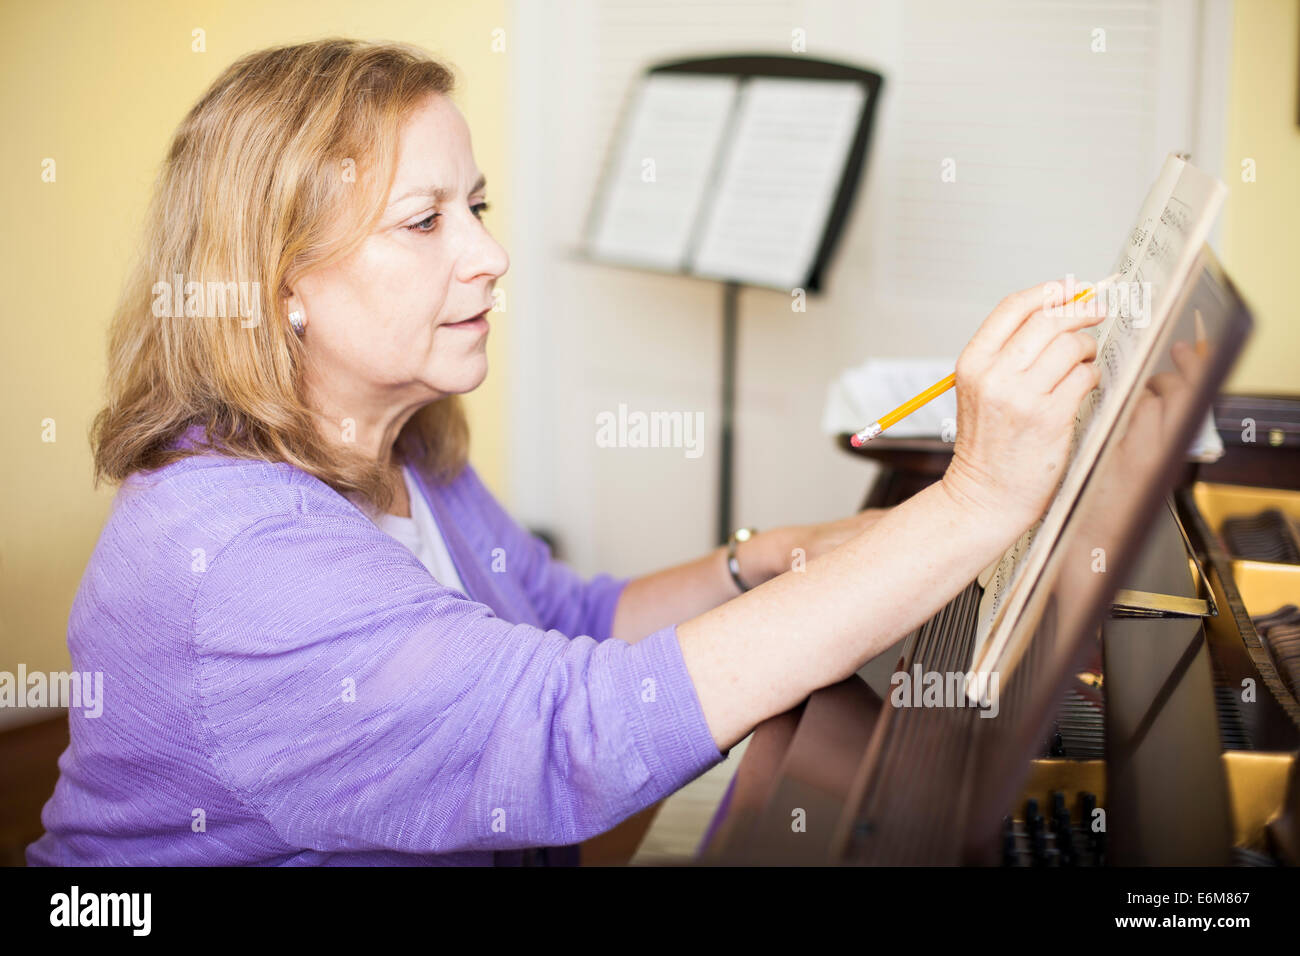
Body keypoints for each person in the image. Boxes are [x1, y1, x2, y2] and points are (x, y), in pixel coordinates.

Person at [27, 38, 1102, 866]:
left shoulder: (405, 442)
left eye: (478, 206)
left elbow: (565, 619)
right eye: (423, 222)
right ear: (282, 284)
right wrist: (972, 501)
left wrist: (765, 554)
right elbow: (574, 728)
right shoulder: (241, 562)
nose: (490, 256)